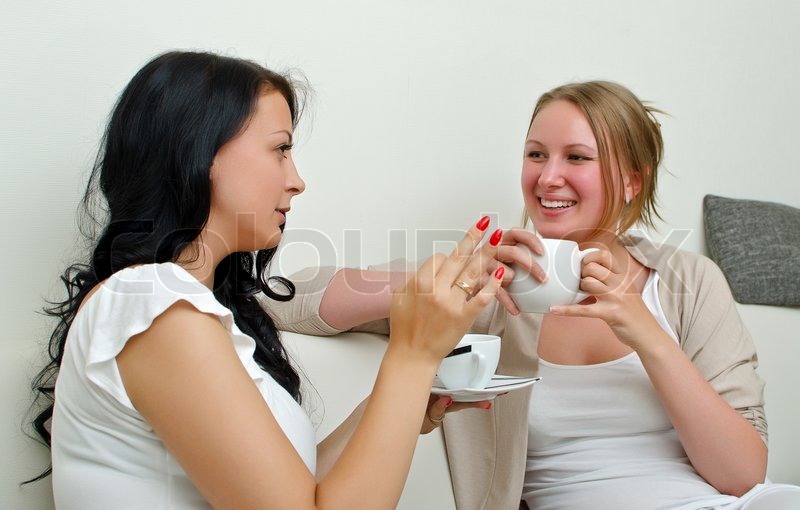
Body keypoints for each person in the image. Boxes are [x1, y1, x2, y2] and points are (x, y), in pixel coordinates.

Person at [269, 81, 800, 509]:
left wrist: (650, 338)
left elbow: (742, 475)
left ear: (632, 181)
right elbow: (282, 296)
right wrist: (456, 280)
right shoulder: (486, 287)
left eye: (576, 158)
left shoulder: (688, 279)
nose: (548, 178)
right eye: (536, 154)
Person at [27, 50, 506, 509]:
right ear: (200, 151)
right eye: (280, 149)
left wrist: (404, 402)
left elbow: (299, 494)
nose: (297, 180)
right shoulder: (151, 306)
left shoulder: (182, 308)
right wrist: (413, 355)